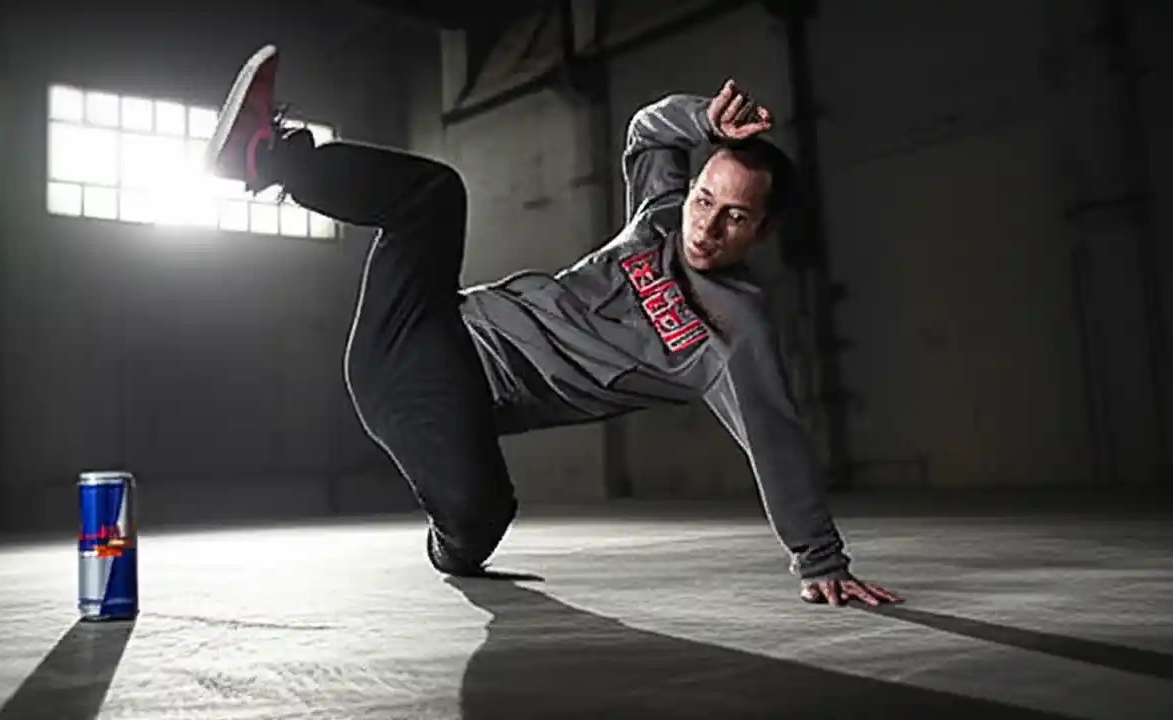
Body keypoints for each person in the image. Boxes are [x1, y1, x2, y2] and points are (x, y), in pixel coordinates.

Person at [207, 45, 902, 607]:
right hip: (423, 326)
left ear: (764, 230)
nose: (706, 225)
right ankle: (266, 157)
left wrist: (821, 559)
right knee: (435, 193)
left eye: (736, 218)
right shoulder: (658, 215)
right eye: (703, 198)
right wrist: (706, 123)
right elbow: (646, 131)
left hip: (445, 408)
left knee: (486, 516)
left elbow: (774, 435)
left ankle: (451, 542)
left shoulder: (734, 333)